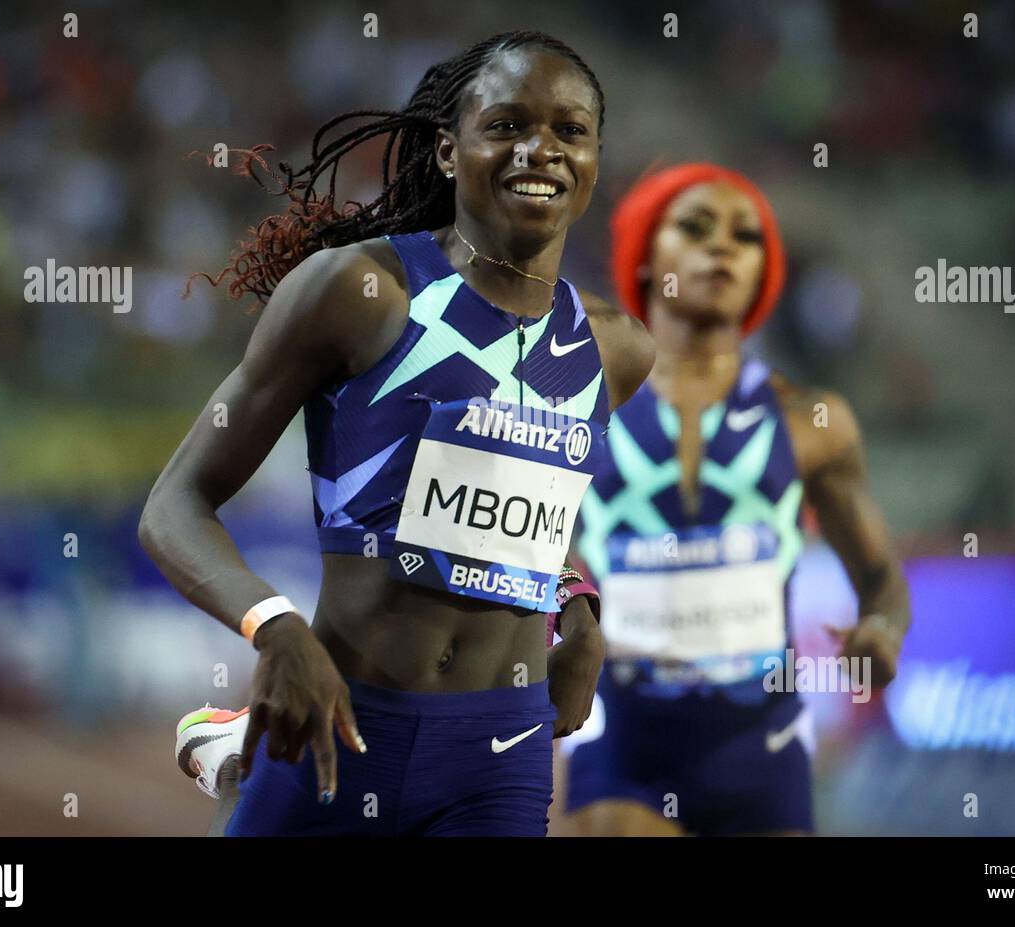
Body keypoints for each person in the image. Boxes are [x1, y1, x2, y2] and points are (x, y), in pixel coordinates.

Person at [139, 30, 653, 836]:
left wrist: (579, 607)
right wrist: (274, 631)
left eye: (569, 131)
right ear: (448, 152)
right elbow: (175, 504)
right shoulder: (362, 291)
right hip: (339, 724)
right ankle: (246, 747)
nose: (540, 149)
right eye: (508, 124)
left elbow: (530, 513)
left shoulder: (616, 347)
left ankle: (236, 747)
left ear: (593, 160)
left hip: (502, 748)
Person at [557, 163, 911, 836]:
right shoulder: (580, 409)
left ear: (764, 271)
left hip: (763, 748)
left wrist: (883, 630)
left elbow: (880, 579)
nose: (722, 246)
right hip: (626, 739)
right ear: (645, 255)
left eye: (745, 235)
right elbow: (533, 548)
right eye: (695, 227)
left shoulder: (814, 420)